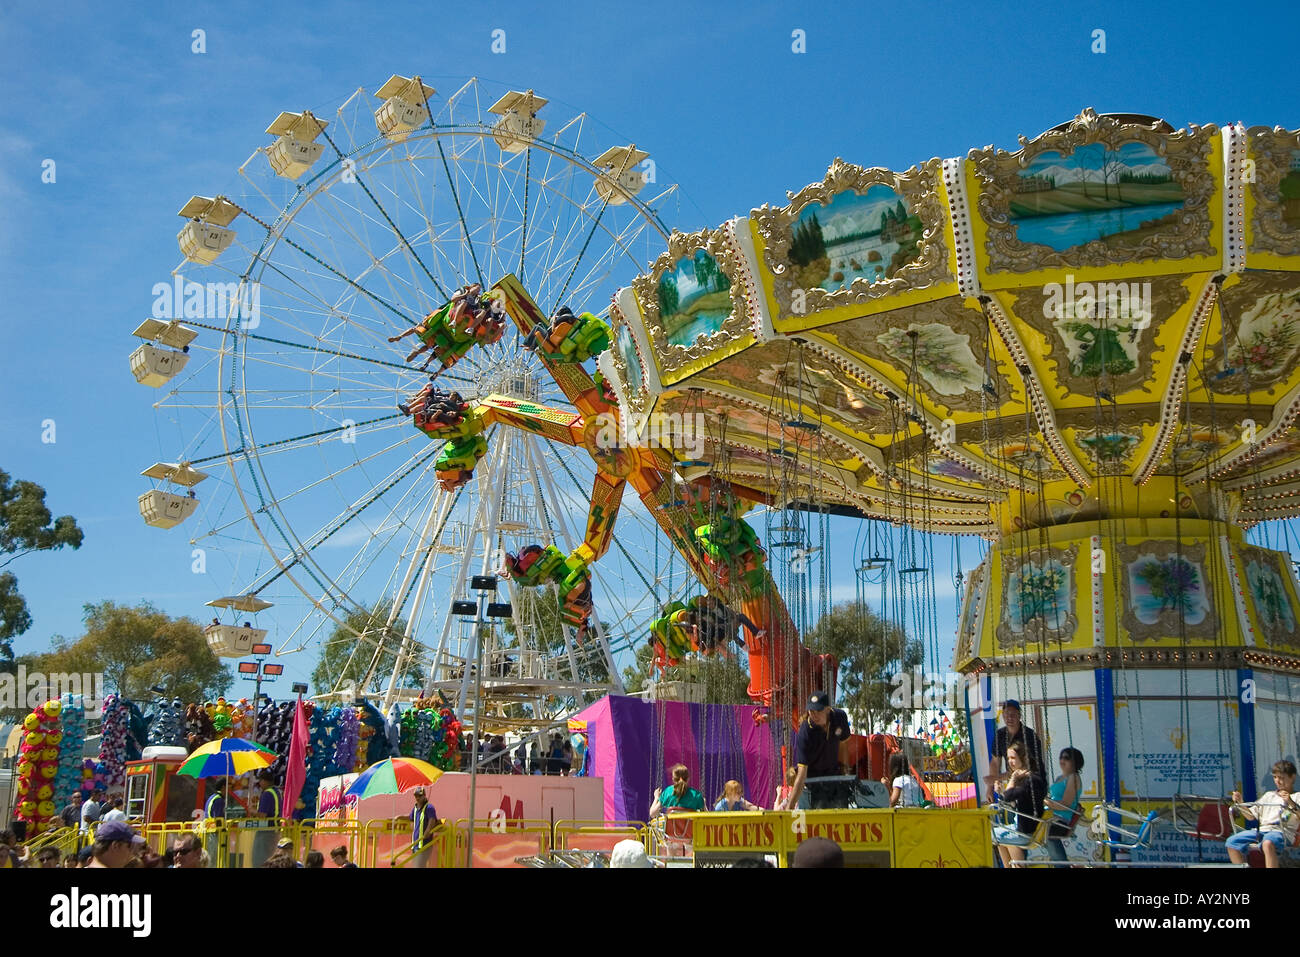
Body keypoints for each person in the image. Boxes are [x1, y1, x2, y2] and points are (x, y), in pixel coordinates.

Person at [1225, 759, 1299, 868]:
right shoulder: (1269, 795)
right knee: (1231, 842)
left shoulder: (1297, 796)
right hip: (1262, 830)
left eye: (1281, 778)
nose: (1278, 781)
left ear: (1292, 777)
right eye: (1275, 777)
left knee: (1268, 843)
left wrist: (1290, 802)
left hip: (1282, 832)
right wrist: (1240, 802)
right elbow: (1250, 816)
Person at [787, 691, 853, 809]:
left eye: (818, 711)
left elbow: (843, 744)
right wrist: (789, 808)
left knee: (843, 809)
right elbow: (802, 773)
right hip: (814, 781)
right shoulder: (805, 732)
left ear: (828, 709)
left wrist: (845, 769)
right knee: (821, 807)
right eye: (811, 711)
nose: (814, 715)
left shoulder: (840, 717)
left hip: (834, 775)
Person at [991, 741, 1047, 867]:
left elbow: (1008, 797)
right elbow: (1012, 802)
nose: (1010, 762)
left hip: (1025, 832)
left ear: (1024, 758)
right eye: (1008, 758)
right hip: (1022, 827)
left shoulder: (1031, 780)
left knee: (993, 835)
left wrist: (1013, 779)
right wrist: (1001, 791)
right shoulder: (1028, 778)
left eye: (1013, 758)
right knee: (997, 835)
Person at [985, 700, 1046, 803]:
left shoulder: (1029, 736)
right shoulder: (1000, 735)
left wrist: (997, 777)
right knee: (1011, 812)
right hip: (1013, 785)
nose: (1009, 718)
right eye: (1006, 715)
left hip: (1031, 785)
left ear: (1019, 715)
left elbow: (1028, 767)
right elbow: (995, 762)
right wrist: (990, 788)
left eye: (1013, 714)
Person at [1043, 747, 1084, 862]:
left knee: (1048, 834)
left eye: (1066, 758)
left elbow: (1065, 804)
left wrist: (1046, 802)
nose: (1062, 760)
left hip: (1060, 820)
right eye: (1061, 757)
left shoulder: (1074, 777)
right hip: (1049, 816)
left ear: (1075, 762)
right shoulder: (1059, 778)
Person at [410, 786, 438, 868]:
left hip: (424, 843)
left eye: (420, 796)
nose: (418, 798)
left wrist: (428, 830)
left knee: (419, 865)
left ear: (424, 796)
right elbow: (411, 818)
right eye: (416, 796)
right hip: (415, 843)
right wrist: (399, 817)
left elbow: (432, 819)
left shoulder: (429, 807)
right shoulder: (415, 808)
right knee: (416, 865)